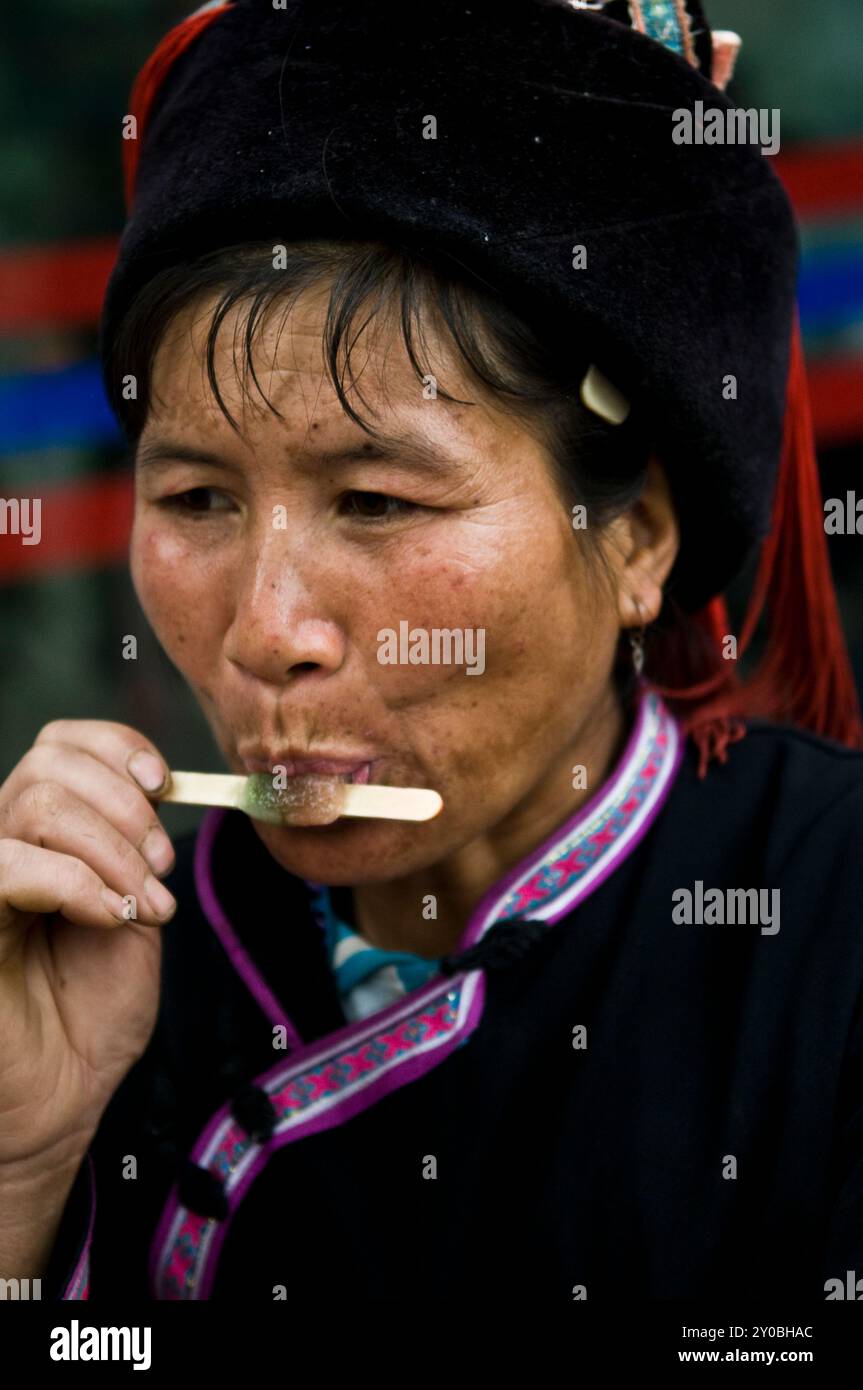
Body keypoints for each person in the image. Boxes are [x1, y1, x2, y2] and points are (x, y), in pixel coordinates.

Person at [2, 0, 862, 1302]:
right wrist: (23, 1164)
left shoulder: (832, 931)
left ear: (632, 538)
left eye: (379, 502)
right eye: (196, 501)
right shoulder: (98, 966)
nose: (265, 630)